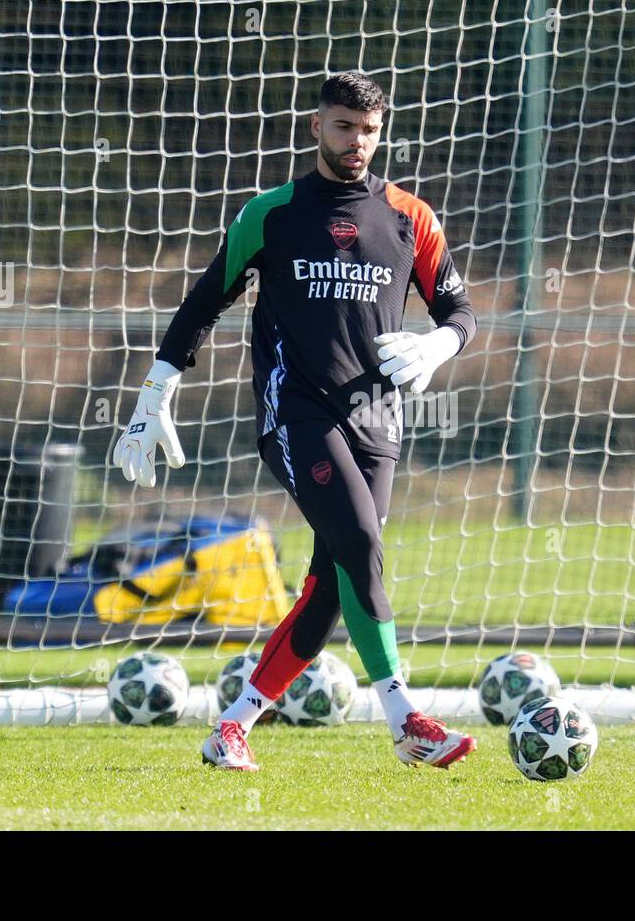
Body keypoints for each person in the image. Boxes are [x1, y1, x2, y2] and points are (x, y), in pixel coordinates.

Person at [115, 72, 477, 772]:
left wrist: (438, 344)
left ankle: (231, 726)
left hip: (377, 417)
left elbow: (459, 312)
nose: (357, 142)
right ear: (317, 127)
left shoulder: (410, 217)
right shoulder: (272, 214)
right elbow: (202, 303)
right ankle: (406, 719)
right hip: (298, 413)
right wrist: (155, 391)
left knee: (331, 586)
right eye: (344, 126)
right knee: (363, 540)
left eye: (369, 130)